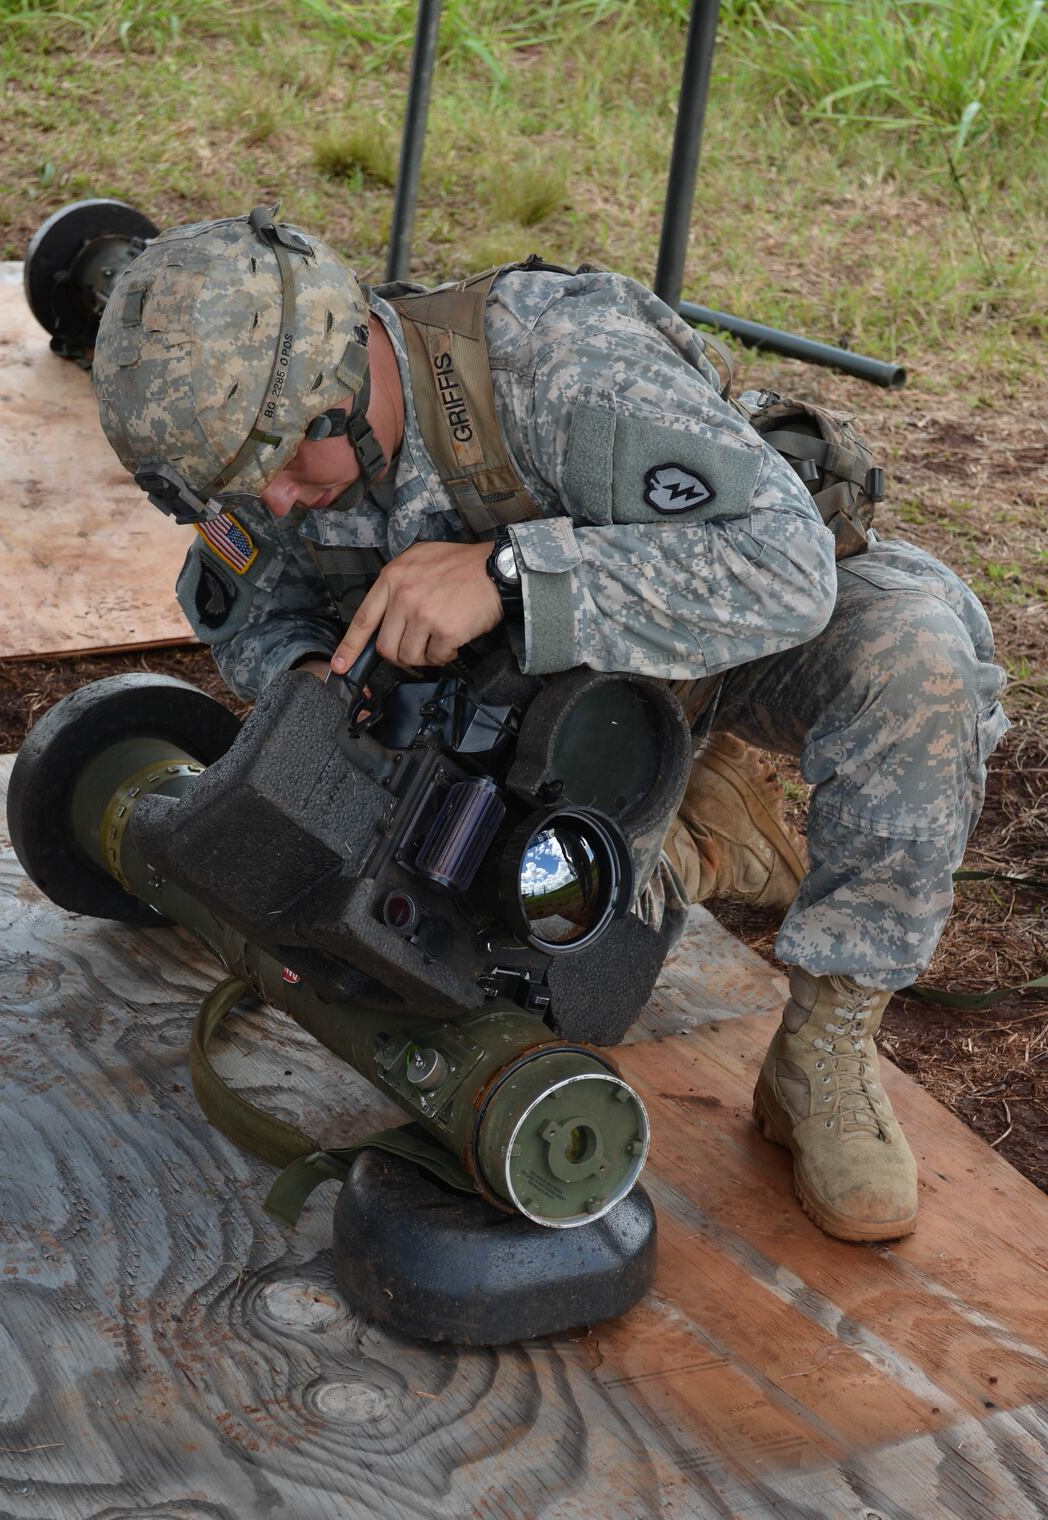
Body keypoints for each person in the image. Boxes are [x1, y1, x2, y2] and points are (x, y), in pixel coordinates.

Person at [92, 208, 1009, 1245]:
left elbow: (784, 568)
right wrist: (316, 686)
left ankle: (824, 1052)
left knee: (921, 665)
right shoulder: (264, 451)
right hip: (569, 709)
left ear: (343, 384)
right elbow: (248, 610)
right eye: (242, 489)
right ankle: (702, 836)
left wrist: (509, 575)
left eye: (291, 470)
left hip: (722, 601)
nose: (277, 503)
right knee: (535, 964)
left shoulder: (551, 363)